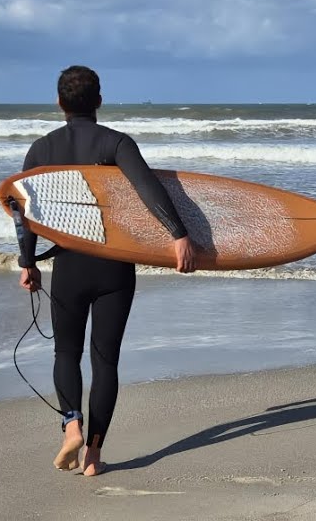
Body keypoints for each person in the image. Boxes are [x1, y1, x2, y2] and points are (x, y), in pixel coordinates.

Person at [17, 65, 196, 476]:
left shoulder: (40, 150)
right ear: (99, 101)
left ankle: (71, 427)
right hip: (114, 267)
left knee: (66, 351)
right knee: (106, 361)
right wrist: (178, 234)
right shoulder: (116, 143)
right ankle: (94, 455)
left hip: (68, 266)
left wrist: (27, 262)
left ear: (60, 102)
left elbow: (26, 213)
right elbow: (149, 189)